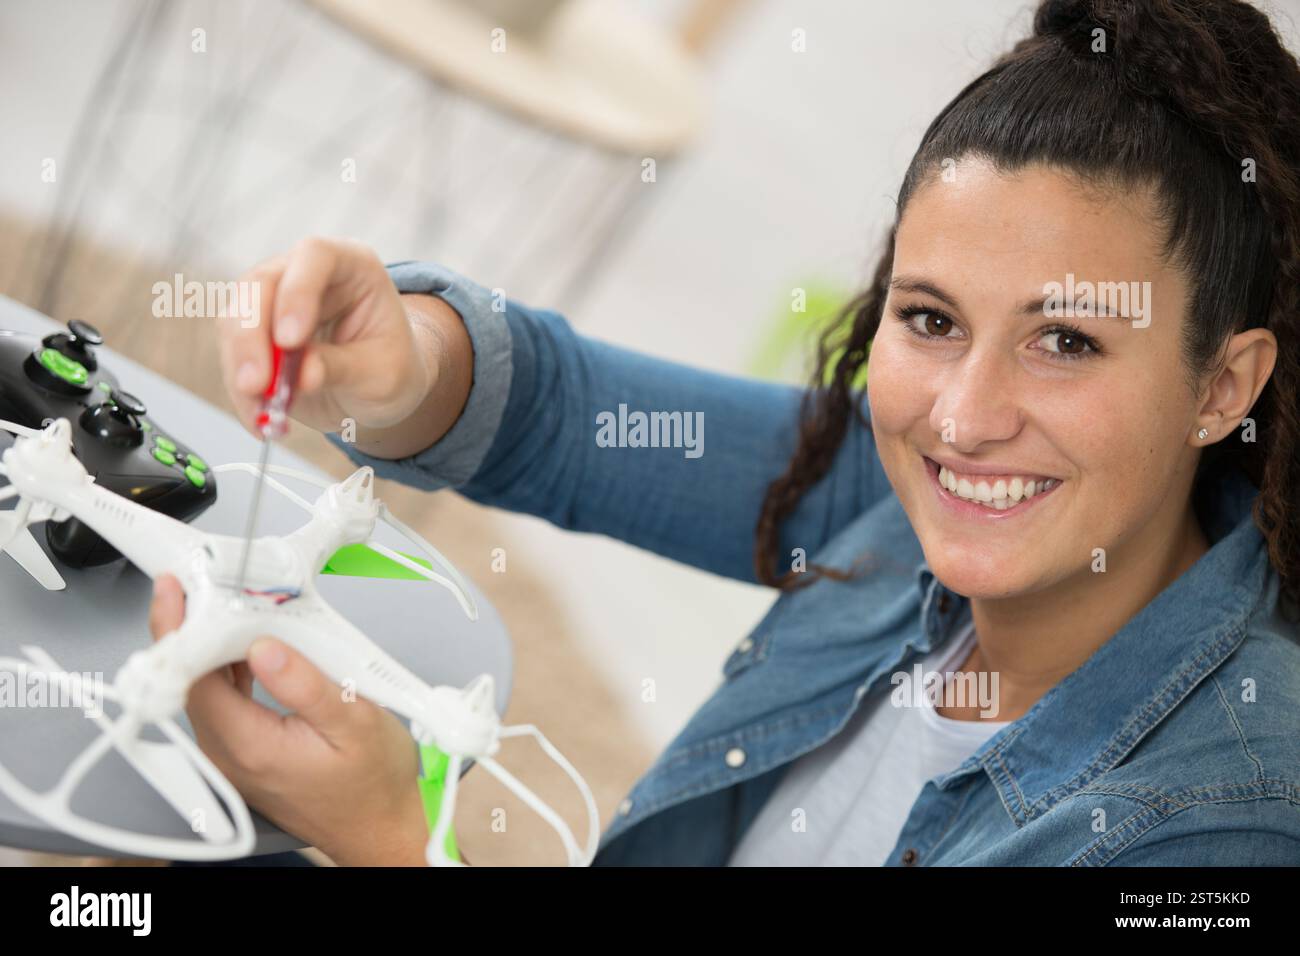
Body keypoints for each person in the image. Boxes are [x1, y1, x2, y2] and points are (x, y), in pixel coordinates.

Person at [150, 0, 1300, 865]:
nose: (963, 416)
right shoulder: (909, 487)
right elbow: (561, 416)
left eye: (1066, 342)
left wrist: (396, 839)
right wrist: (397, 360)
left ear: (1222, 384)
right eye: (931, 318)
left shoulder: (1220, 830)